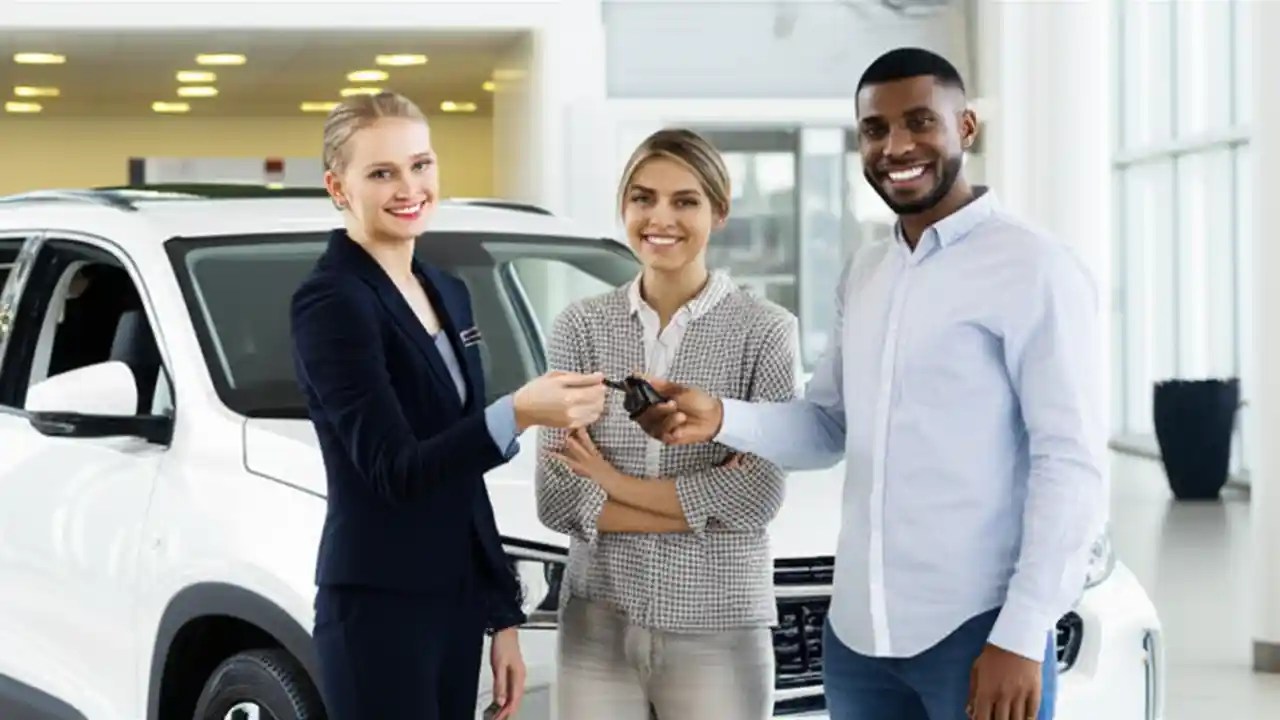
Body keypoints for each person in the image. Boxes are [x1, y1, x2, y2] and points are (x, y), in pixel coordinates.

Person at [632, 48, 1108, 720]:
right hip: (858, 639)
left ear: (965, 126)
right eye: (875, 130)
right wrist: (718, 418)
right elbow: (827, 427)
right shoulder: (868, 271)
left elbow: (1073, 464)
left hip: (977, 631)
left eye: (920, 122)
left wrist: (1024, 631)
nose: (896, 146)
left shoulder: (1035, 268)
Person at [289, 91, 608, 720]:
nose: (409, 187)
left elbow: (460, 478)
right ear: (337, 186)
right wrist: (516, 411)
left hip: (456, 604)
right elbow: (395, 470)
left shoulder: (448, 290)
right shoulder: (332, 303)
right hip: (378, 607)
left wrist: (502, 616)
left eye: (421, 164)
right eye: (382, 172)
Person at [535, 128, 798, 720]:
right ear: (624, 208)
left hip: (720, 625)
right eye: (643, 198)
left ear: (719, 211)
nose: (661, 217)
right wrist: (707, 504)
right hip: (597, 619)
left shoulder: (766, 331)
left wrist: (610, 480)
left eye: (686, 201)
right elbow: (557, 498)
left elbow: (757, 498)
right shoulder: (580, 327)